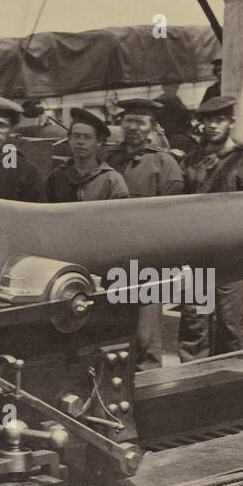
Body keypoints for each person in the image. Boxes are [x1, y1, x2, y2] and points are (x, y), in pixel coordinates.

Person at [177, 96, 243, 360]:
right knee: (194, 323)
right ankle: (190, 385)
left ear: (231, 123)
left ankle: (229, 383)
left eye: (219, 120)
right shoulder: (191, 161)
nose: (212, 126)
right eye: (207, 121)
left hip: (231, 255)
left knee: (229, 324)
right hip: (197, 253)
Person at [103, 98, 186, 369]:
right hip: (114, 254)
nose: (134, 127)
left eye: (141, 122)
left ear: (151, 127)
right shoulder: (110, 159)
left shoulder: (164, 164)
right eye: (129, 121)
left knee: (146, 329)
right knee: (116, 322)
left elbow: (172, 215)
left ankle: (148, 376)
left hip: (149, 257)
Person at [44, 108, 130, 203]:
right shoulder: (57, 176)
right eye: (76, 136)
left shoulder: (111, 180)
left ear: (99, 142)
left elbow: (120, 215)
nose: (80, 142)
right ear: (69, 139)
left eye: (87, 137)